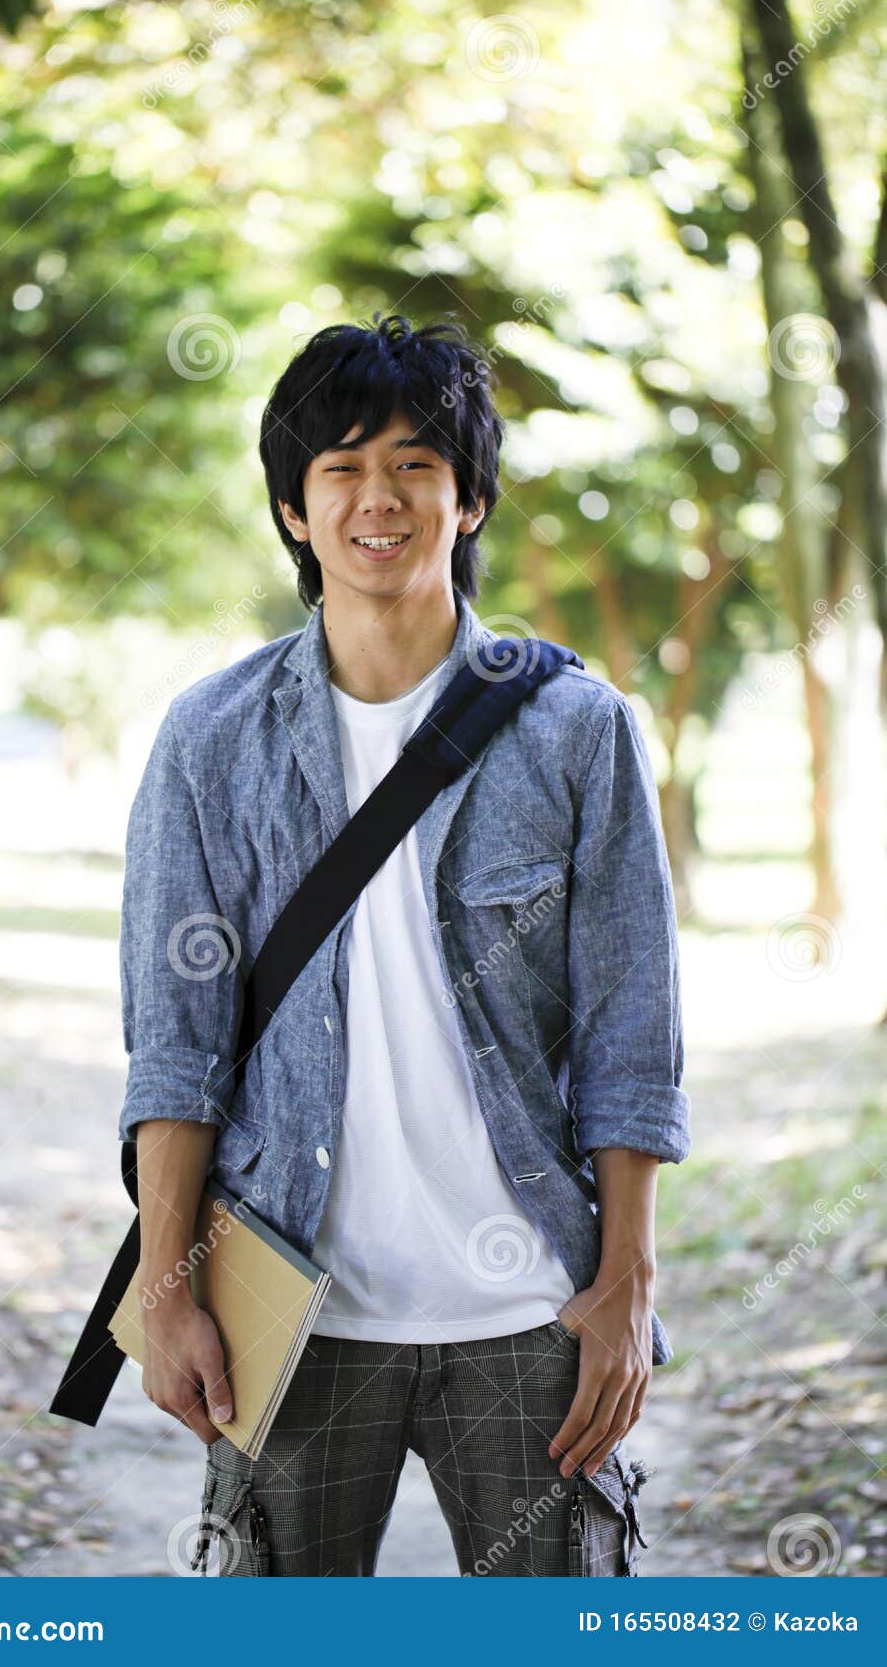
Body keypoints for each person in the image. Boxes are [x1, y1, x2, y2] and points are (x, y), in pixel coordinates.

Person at [119, 311, 691, 1576]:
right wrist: (165, 1289)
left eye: (415, 464)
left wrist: (625, 1284)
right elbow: (176, 1047)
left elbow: (629, 1033)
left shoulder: (576, 730)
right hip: (291, 1307)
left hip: (531, 1305)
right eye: (341, 468)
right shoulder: (209, 741)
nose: (379, 497)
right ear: (292, 509)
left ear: (468, 498)